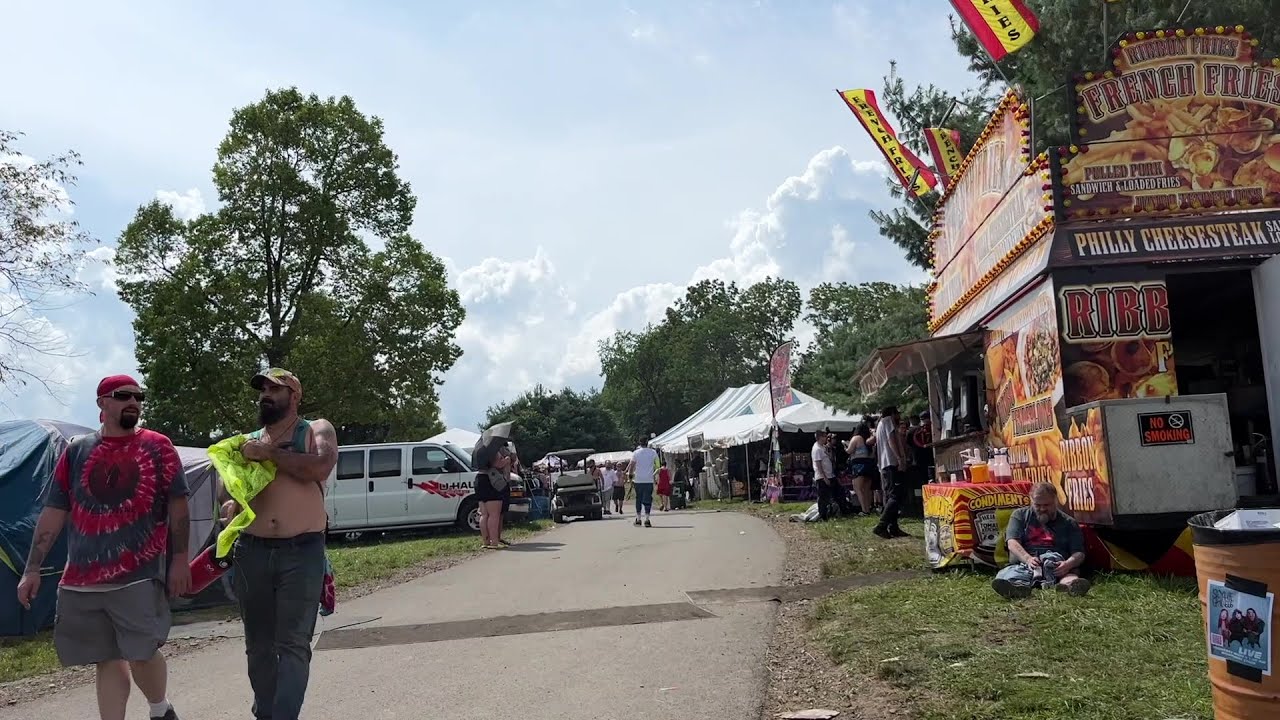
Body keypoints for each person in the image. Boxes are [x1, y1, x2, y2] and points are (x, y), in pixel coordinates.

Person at [18, 375, 190, 720]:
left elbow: (178, 506)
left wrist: (180, 560)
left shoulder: (158, 446)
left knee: (141, 651)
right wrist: (32, 568)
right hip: (83, 578)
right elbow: (54, 511)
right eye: (123, 396)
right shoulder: (78, 450)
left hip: (137, 574)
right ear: (102, 403)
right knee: (106, 657)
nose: (134, 403)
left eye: (139, 397)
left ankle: (160, 709)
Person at [222, 368, 339, 720]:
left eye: (276, 388)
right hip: (252, 550)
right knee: (257, 646)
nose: (267, 395)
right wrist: (230, 506)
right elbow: (227, 493)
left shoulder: (315, 429)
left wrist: (269, 454)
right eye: (263, 389)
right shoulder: (245, 443)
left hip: (302, 551)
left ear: (295, 395)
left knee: (292, 644)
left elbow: (321, 466)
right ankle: (267, 712)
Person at [993, 482, 1091, 599]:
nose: (1042, 509)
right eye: (1038, 505)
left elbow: (1079, 553)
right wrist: (1027, 559)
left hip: (1056, 566)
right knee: (1009, 575)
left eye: (1047, 505)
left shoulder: (1069, 523)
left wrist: (1067, 564)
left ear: (1056, 501)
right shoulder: (1020, 515)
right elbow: (1012, 542)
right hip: (1026, 565)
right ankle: (1018, 588)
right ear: (1031, 500)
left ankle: (1070, 586)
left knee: (1069, 576)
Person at [873, 406, 909, 539]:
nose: (899, 417)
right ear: (893, 414)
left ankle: (892, 527)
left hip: (884, 463)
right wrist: (899, 458)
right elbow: (891, 440)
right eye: (897, 414)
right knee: (896, 495)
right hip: (891, 462)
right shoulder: (888, 421)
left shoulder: (880, 424)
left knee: (891, 495)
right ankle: (881, 525)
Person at [475, 445, 513, 549]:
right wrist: (506, 460)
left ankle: (486, 541)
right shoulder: (491, 450)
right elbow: (497, 464)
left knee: (484, 514)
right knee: (494, 515)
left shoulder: (479, 452)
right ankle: (494, 542)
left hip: (479, 480)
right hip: (490, 481)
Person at [845, 424, 876, 514]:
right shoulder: (869, 440)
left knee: (858, 488)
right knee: (867, 488)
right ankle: (868, 508)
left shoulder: (856, 438)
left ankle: (864, 509)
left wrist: (846, 446)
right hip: (869, 464)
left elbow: (849, 451)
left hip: (858, 465)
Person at [628, 438, 659, 527]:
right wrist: (654, 474)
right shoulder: (653, 452)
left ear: (640, 443)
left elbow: (632, 465)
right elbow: (657, 465)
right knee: (648, 499)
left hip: (638, 479)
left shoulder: (636, 453)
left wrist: (630, 475)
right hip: (648, 480)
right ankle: (647, 519)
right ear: (647, 443)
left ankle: (638, 519)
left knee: (639, 498)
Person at [811, 431, 836, 521]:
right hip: (822, 477)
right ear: (820, 437)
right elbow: (818, 464)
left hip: (830, 475)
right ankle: (823, 516)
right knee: (823, 497)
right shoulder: (817, 449)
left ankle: (832, 512)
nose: (826, 438)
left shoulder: (823, 447)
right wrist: (824, 477)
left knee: (832, 495)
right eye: (825, 436)